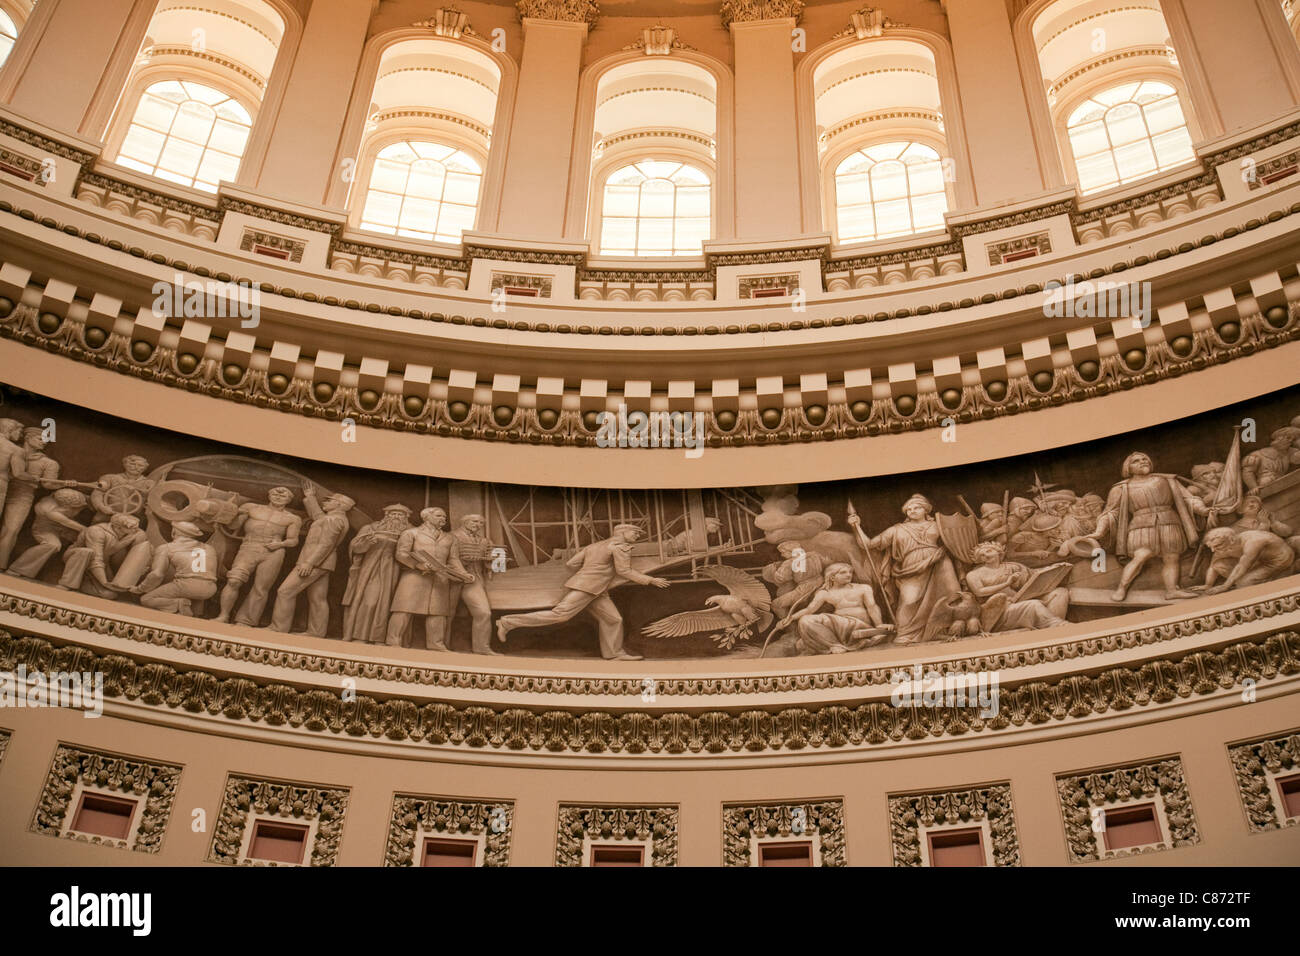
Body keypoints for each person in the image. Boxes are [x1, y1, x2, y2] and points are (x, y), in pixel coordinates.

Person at [495, 523, 670, 661]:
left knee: (613, 619)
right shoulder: (619, 547)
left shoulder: (594, 546)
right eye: (635, 533)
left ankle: (614, 653)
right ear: (622, 533)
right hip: (589, 588)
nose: (637, 536)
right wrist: (651, 580)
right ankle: (507, 622)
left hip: (595, 589)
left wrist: (589, 573)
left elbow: (571, 564)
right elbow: (624, 571)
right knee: (560, 615)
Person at [1094, 452, 1210, 602]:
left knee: (1171, 557)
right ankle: (1121, 589)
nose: (1143, 462)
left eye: (1145, 459)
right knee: (1141, 555)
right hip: (1141, 525)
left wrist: (1203, 510)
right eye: (1136, 461)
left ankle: (1172, 590)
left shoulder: (1167, 480)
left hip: (1169, 521)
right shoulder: (1121, 488)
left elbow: (1188, 499)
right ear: (1128, 468)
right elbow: (1110, 512)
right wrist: (1099, 531)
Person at [851, 494, 961, 644]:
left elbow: (956, 542)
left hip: (939, 562)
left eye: (917, 507)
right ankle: (906, 633)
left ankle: (939, 631)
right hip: (911, 564)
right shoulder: (897, 529)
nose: (912, 511)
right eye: (908, 509)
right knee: (910, 600)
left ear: (926, 510)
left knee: (947, 595)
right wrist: (856, 527)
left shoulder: (939, 524)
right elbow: (868, 544)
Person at [269, 483, 354, 637]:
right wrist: (310, 498)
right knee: (317, 598)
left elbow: (325, 544)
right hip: (324, 563)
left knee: (285, 592)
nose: (325, 502)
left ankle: (278, 628)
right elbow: (318, 518)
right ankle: (316, 632)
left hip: (314, 562)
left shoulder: (334, 520)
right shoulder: (334, 518)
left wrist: (309, 563)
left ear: (340, 505)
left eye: (329, 501)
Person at [386, 507, 472, 650]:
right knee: (404, 609)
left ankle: (436, 644)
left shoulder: (451, 538)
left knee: (438, 613)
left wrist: (463, 573)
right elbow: (401, 554)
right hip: (414, 577)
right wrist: (419, 565)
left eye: (444, 517)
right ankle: (393, 642)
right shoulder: (411, 533)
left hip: (440, 579)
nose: (443, 519)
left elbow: (453, 559)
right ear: (426, 517)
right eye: (439, 516)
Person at [214, 486, 301, 626]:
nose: (278, 497)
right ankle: (223, 615)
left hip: (273, 552)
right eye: (275, 494)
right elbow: (232, 526)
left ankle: (245, 621)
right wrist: (233, 511)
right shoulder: (251, 508)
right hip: (249, 546)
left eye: (283, 496)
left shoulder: (292, 518)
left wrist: (281, 544)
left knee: (261, 588)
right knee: (234, 580)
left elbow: (293, 540)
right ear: (269, 495)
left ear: (289, 500)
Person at [0, 426, 76, 569]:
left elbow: (48, 484)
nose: (44, 442)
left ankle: (0, 565)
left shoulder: (49, 463)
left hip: (22, 496)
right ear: (27, 438)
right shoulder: (8, 448)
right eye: (40, 438)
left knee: (11, 530)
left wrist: (64, 484)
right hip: (3, 489)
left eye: (46, 440)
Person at [785, 562, 892, 654]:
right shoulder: (825, 593)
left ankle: (834, 645)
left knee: (806, 639)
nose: (848, 575)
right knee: (805, 620)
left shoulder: (863, 588)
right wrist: (791, 618)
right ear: (832, 577)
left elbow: (872, 607)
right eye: (843, 572)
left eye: (850, 572)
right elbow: (809, 610)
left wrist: (879, 625)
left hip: (859, 625)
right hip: (839, 628)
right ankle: (835, 644)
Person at [341, 503, 410, 643]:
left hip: (395, 570)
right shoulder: (371, 528)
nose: (396, 517)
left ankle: (381, 638)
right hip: (371, 568)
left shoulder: (409, 532)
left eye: (400, 514)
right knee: (369, 601)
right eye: (393, 513)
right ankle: (360, 636)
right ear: (387, 515)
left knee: (391, 604)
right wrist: (367, 543)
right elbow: (355, 547)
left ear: (406, 517)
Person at [965, 540, 1068, 630]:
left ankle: (1053, 627)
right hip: (1000, 612)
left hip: (1021, 600)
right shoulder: (974, 574)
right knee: (1033, 605)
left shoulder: (1013, 567)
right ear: (980, 560)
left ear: (998, 552)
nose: (986, 556)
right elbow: (979, 592)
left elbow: (1034, 576)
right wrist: (1007, 583)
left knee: (1060, 592)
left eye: (989, 551)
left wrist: (1053, 568)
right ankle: (1058, 626)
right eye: (982, 555)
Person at [132, 521, 218, 615]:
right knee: (195, 589)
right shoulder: (209, 548)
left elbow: (157, 574)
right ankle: (195, 612)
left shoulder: (167, 548)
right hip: (210, 589)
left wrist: (140, 588)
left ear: (173, 532)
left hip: (186, 586)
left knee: (146, 599)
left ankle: (177, 604)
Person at [58, 513, 152, 598]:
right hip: (79, 560)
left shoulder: (133, 533)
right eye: (132, 527)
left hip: (103, 564)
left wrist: (142, 566)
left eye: (136, 527)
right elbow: (96, 559)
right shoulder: (96, 532)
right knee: (86, 552)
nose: (136, 530)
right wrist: (103, 582)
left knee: (110, 594)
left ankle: (83, 583)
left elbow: (141, 551)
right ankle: (67, 583)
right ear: (118, 527)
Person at [446, 513, 499, 655]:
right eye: (475, 521)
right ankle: (442, 647)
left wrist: (491, 560)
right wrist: (462, 572)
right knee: (446, 613)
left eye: (481, 523)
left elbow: (491, 564)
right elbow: (449, 558)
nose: (478, 525)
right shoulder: (451, 536)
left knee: (483, 613)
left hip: (474, 578)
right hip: (451, 578)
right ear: (465, 522)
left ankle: (482, 648)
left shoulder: (484, 541)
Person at [6, 488, 89, 579]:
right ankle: (17, 569)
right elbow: (70, 523)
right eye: (77, 509)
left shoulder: (58, 497)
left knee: (87, 543)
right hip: (44, 530)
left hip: (63, 529)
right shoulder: (52, 512)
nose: (78, 511)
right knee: (53, 545)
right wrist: (89, 530)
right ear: (67, 506)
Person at [1194, 527, 1295, 594]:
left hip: (1279, 560)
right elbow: (1213, 565)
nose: (1213, 550)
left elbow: (1242, 566)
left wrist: (1225, 586)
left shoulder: (1253, 541)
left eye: (1216, 546)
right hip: (1259, 561)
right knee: (1219, 565)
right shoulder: (1224, 545)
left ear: (1232, 539)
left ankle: (1290, 571)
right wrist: (1208, 585)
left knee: (1243, 584)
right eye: (1211, 547)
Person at [89, 454, 154, 523]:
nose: (136, 467)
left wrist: (140, 490)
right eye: (132, 464)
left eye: (140, 465)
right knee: (97, 522)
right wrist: (101, 507)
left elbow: (153, 500)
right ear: (125, 464)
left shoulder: (149, 484)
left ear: (144, 468)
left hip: (134, 519)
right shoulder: (110, 478)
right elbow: (97, 494)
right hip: (107, 515)